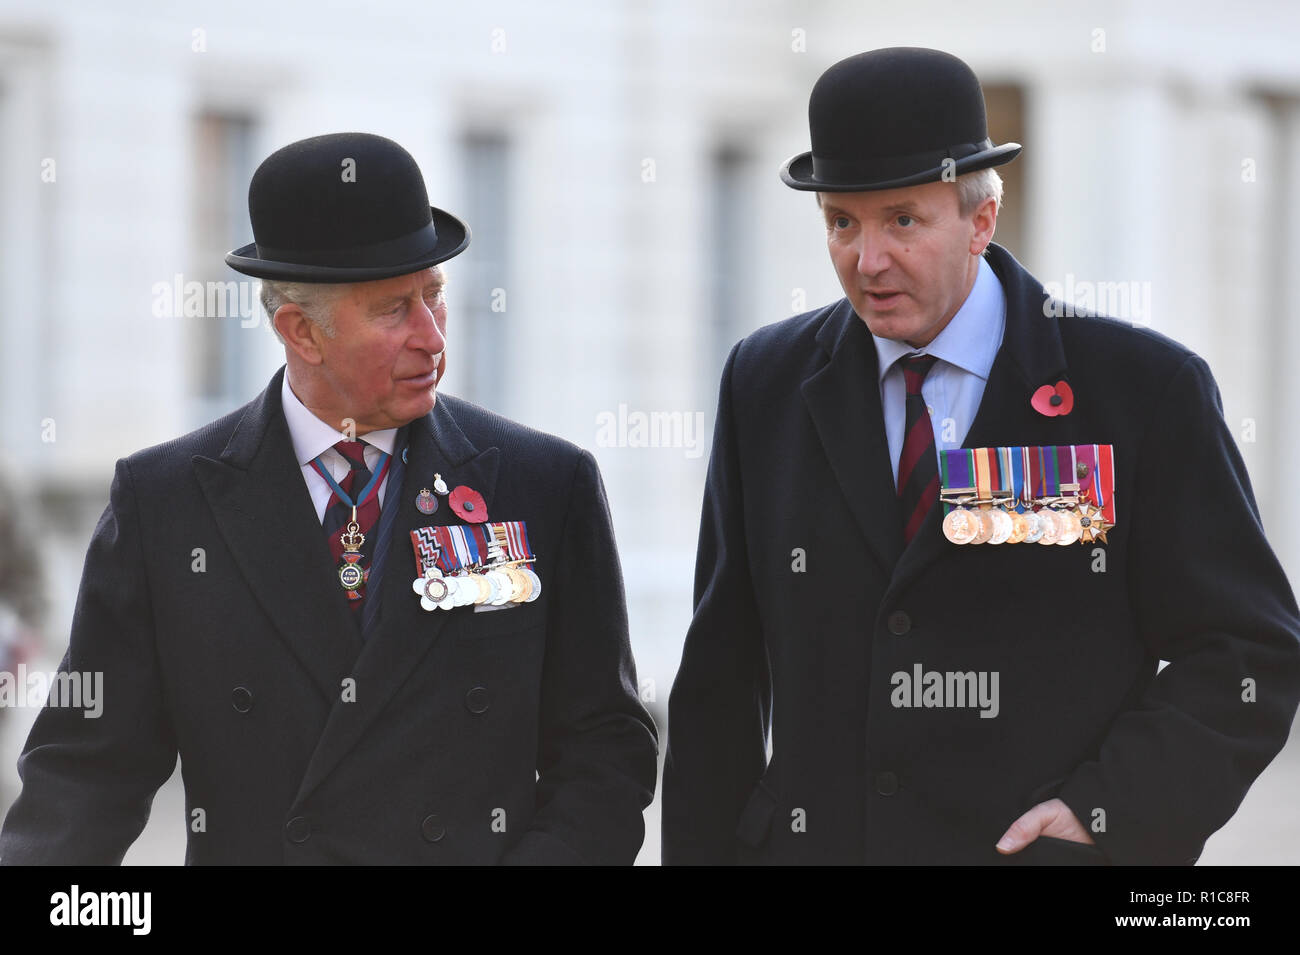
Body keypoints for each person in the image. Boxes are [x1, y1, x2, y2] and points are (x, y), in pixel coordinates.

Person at [662, 48, 1300, 865]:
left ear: (982, 219)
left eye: (902, 220)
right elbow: (719, 675)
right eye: (841, 223)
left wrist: (1103, 812)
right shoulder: (766, 382)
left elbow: (1247, 654)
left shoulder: (1142, 392)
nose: (867, 260)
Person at [0, 132, 657, 865]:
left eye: (436, 295)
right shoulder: (166, 504)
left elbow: (606, 753)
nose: (433, 336)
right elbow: (83, 775)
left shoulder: (543, 485)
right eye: (394, 309)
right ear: (299, 331)